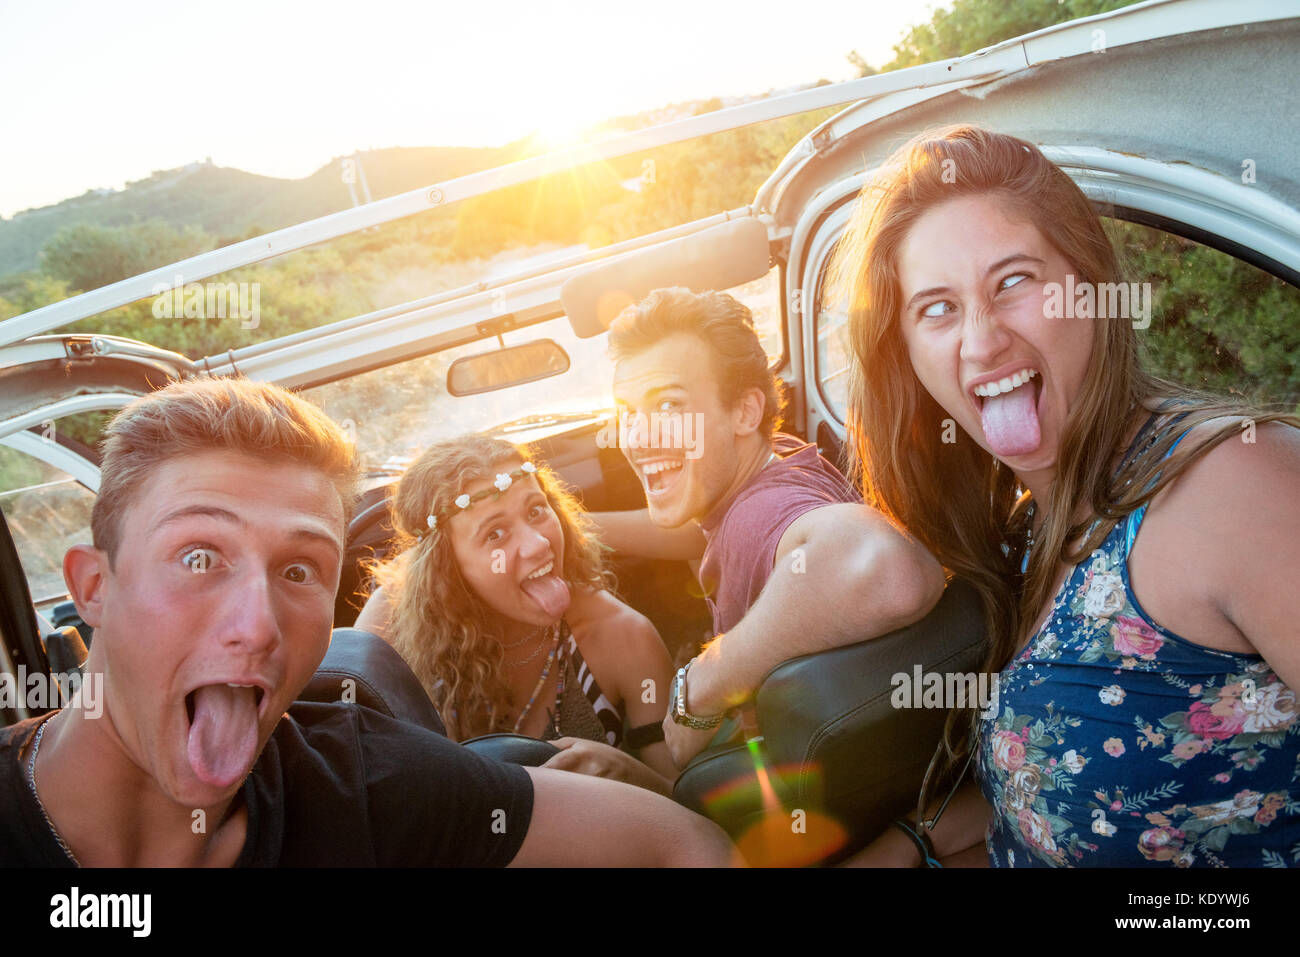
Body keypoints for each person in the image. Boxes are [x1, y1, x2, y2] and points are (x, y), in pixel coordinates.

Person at [0, 377, 735, 866]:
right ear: (93, 586)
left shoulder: (365, 781)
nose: (257, 626)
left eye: (299, 570)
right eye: (199, 557)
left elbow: (690, 845)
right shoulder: (393, 639)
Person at [835, 125, 1300, 867]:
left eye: (1013, 281)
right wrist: (913, 841)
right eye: (938, 309)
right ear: (908, 354)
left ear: (1089, 282)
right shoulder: (1025, 530)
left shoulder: (1233, 482)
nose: (981, 342)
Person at [600, 287, 946, 769]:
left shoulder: (755, 518)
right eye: (629, 411)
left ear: (744, 411)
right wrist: (582, 529)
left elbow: (887, 567)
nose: (638, 437)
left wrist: (702, 682)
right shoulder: (775, 459)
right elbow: (703, 532)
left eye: (669, 406)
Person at [355, 435, 678, 795]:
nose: (538, 544)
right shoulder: (398, 636)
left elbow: (687, 802)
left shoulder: (625, 638)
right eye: (496, 534)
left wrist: (629, 774)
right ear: (447, 568)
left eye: (536, 511)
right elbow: (349, 766)